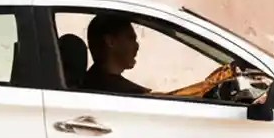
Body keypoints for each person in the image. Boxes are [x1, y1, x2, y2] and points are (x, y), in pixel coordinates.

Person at [80, 13, 237, 97]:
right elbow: (166, 101)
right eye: (130, 38)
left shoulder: (95, 80)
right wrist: (210, 84)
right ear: (111, 42)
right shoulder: (107, 85)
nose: (136, 46)